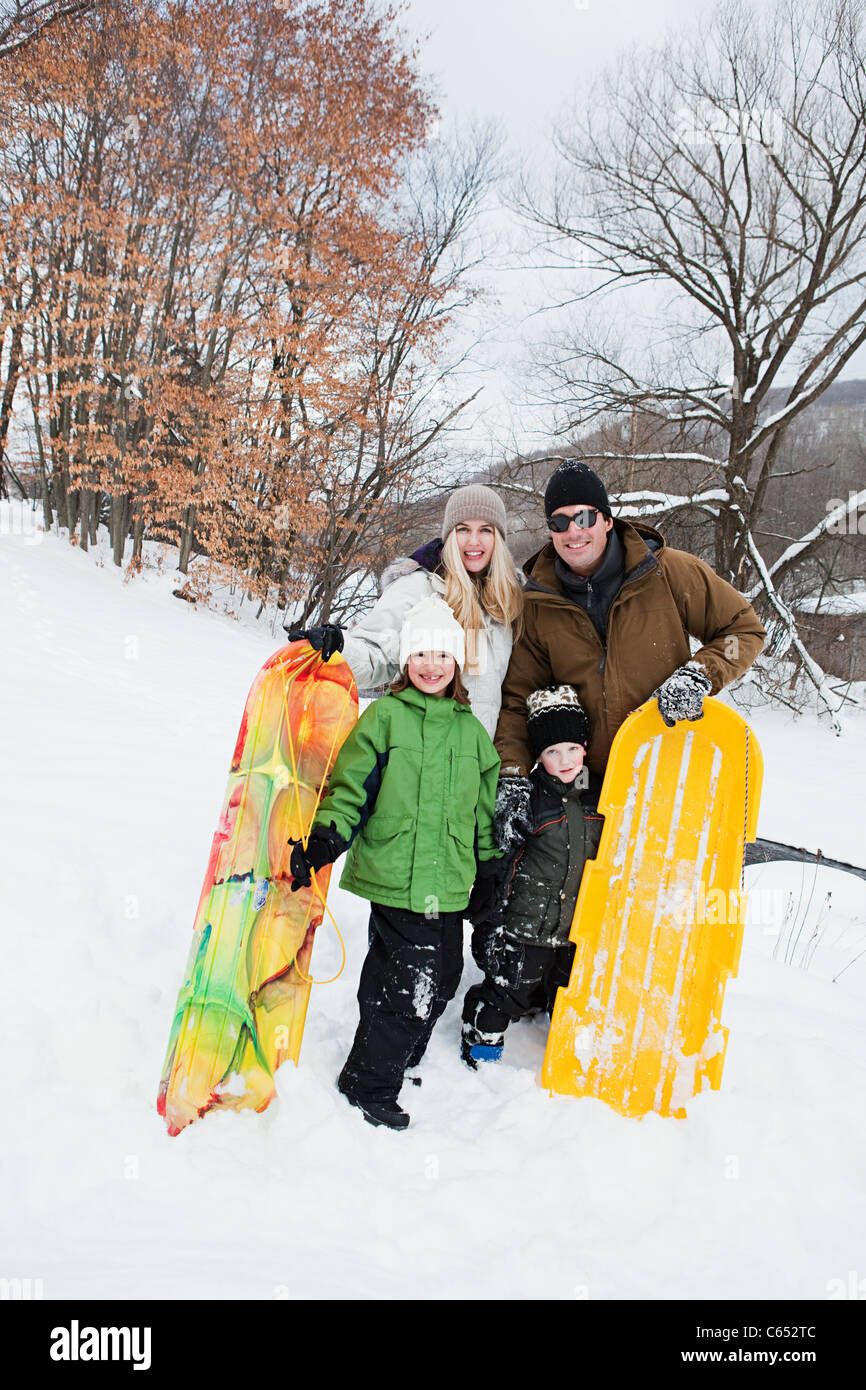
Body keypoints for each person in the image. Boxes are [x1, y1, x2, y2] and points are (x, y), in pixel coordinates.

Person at [289, 594, 502, 1130]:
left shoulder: (471, 731)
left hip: (448, 880)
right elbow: (350, 787)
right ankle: (369, 1080)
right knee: (412, 983)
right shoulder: (384, 718)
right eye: (421, 655)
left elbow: (482, 809)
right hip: (396, 872)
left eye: (442, 656)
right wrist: (327, 838)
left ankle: (397, 1053)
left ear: (457, 664)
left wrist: (489, 866)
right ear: (406, 661)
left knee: (440, 975)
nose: (432, 666)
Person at [493, 459, 766, 838]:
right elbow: (519, 698)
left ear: (607, 520)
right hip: (587, 785)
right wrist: (513, 775)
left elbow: (743, 630)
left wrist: (700, 675)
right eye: (559, 522)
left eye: (585, 517)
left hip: (669, 769)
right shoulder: (538, 602)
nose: (573, 532)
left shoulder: (666, 572)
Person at [286, 483, 523, 740]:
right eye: (463, 529)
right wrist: (339, 647)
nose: (473, 541)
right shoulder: (419, 587)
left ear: (498, 538)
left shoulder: (507, 600)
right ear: (450, 535)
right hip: (419, 755)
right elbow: (376, 654)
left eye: (485, 530)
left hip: (476, 763)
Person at [462, 685, 603, 1067]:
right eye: (553, 751)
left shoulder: (599, 795)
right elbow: (504, 862)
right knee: (511, 988)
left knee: (565, 987)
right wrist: (491, 917)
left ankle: (563, 1040)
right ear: (539, 756)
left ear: (586, 747)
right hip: (527, 923)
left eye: (573, 748)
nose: (565, 759)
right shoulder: (529, 799)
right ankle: (481, 1036)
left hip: (573, 926)